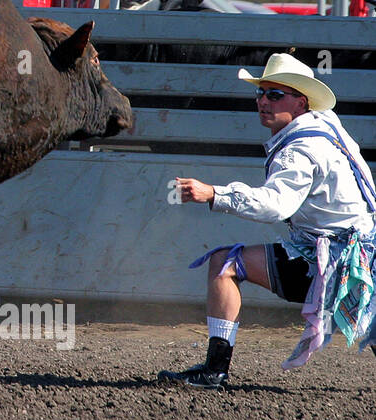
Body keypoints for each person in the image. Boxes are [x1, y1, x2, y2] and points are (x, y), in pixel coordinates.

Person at [161, 53, 376, 389]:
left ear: (301, 102)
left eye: (275, 95)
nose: (263, 101)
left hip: (332, 257)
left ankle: (215, 370)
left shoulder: (299, 150)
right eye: (260, 93)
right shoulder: (326, 124)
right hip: (362, 251)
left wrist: (215, 194)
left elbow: (276, 204)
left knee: (224, 263)